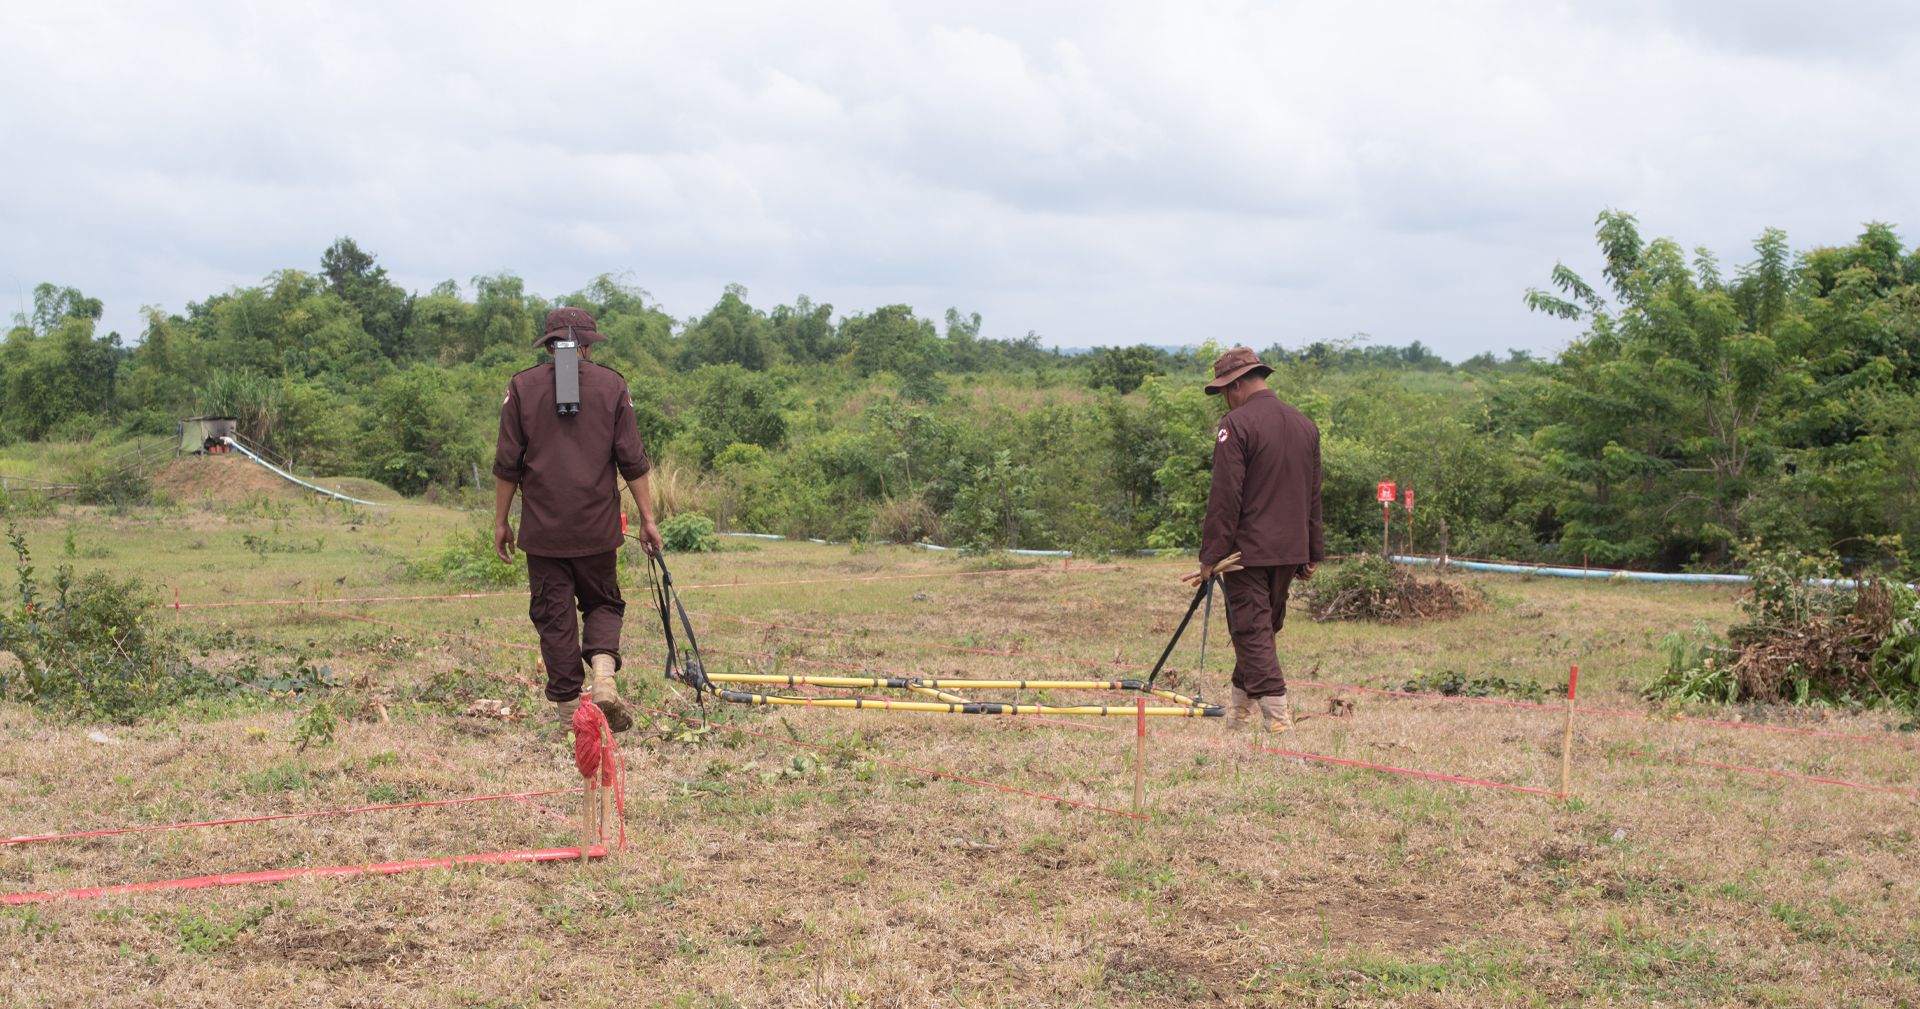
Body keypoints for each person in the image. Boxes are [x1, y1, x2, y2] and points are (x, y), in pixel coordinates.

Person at [493, 307, 662, 733]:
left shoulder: (521, 387)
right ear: (586, 345)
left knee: (554, 615)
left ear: (549, 346)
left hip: (543, 531)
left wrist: (500, 521)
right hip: (597, 528)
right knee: (603, 601)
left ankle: (572, 716)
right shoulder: (613, 385)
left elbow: (507, 465)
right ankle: (603, 675)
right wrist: (647, 519)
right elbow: (633, 461)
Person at [1187, 347, 1323, 732]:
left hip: (1248, 553)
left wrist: (1211, 556)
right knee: (1260, 630)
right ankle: (1238, 712)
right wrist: (1313, 550)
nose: (1225, 400)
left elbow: (1225, 498)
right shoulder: (1305, 424)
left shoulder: (1236, 423)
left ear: (1238, 384)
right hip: (1290, 550)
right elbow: (1313, 495)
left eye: (1225, 391)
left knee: (1251, 630)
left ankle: (1278, 719)